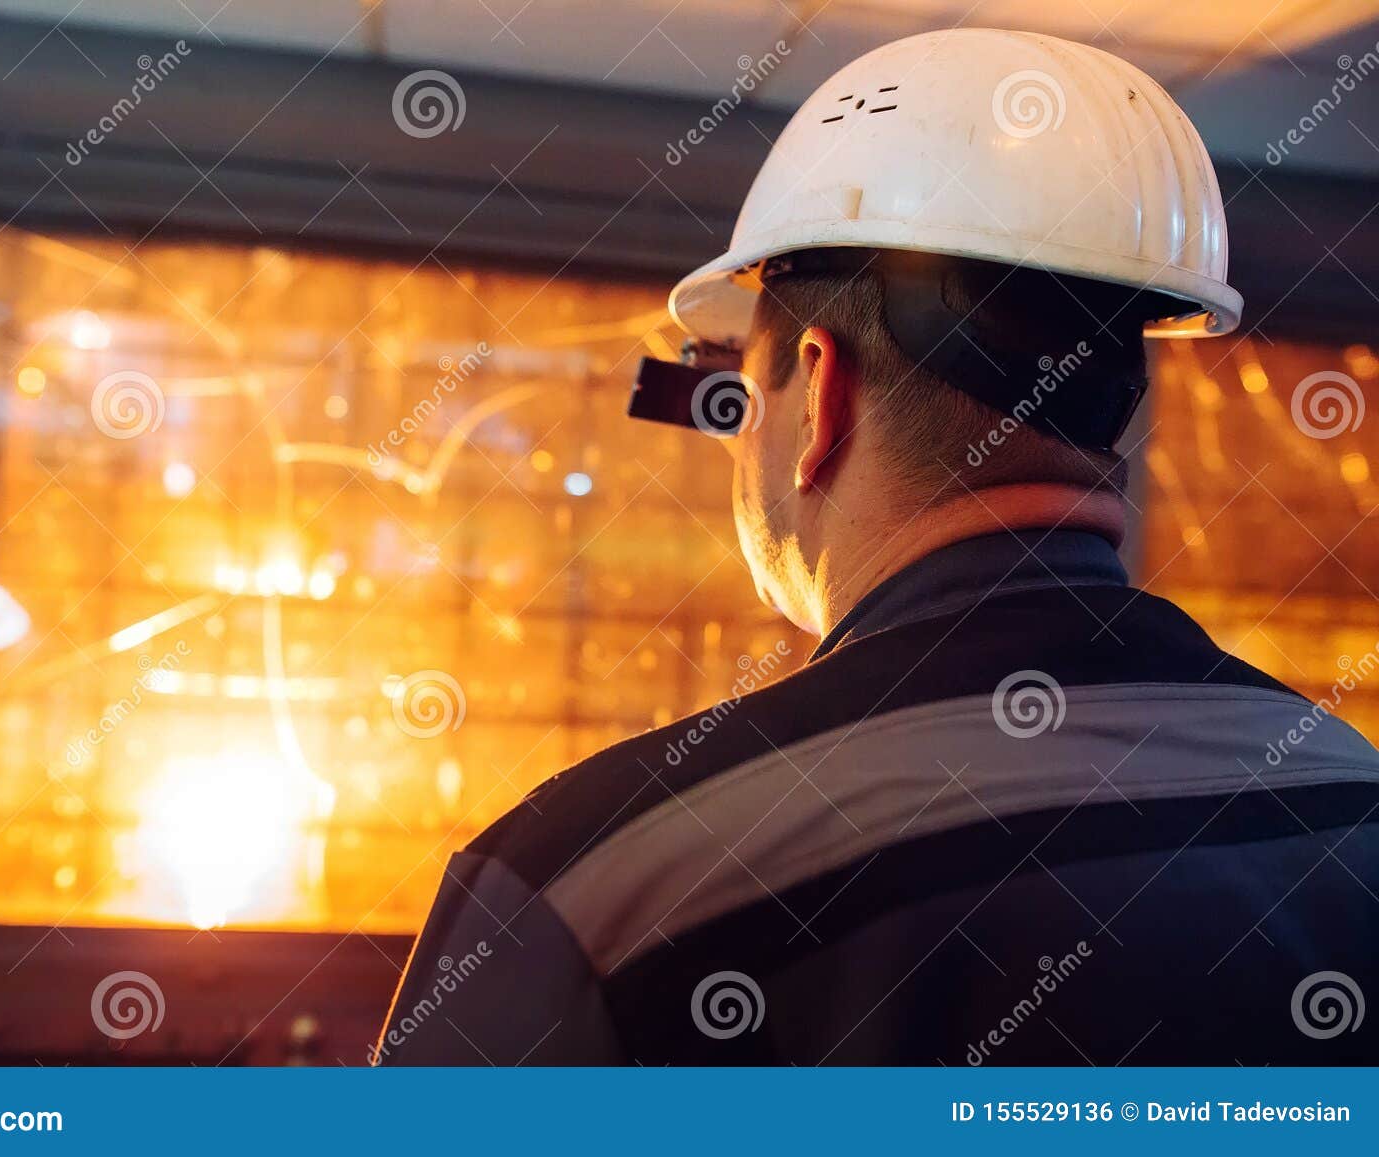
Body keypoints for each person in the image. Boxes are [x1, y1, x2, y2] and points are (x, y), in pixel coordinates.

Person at [374, 27, 1379, 1065]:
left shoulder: (587, 894)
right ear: (1117, 403)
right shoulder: (1350, 807)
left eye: (738, 398)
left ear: (817, 394)